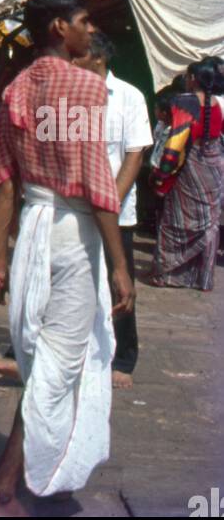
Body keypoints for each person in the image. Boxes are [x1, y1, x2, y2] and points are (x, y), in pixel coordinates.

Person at [0, 0, 134, 517]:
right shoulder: (85, 85)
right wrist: (119, 264)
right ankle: (2, 490)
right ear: (58, 29)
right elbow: (97, 184)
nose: (90, 31)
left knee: (51, 358)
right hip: (72, 233)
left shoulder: (15, 86)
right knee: (58, 365)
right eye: (83, 21)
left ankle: (52, 471)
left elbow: (3, 180)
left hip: (33, 228)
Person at [75, 31, 152, 389]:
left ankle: (123, 357)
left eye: (81, 56)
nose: (74, 61)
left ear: (99, 60)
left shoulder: (129, 97)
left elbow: (135, 154)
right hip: (76, 205)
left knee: (119, 281)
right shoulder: (71, 95)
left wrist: (112, 199)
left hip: (115, 208)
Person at [151, 57, 224, 292]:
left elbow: (176, 142)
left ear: (193, 78)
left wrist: (161, 174)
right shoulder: (217, 104)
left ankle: (169, 275)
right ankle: (202, 278)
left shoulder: (184, 102)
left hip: (191, 166)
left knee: (176, 221)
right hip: (214, 167)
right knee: (209, 222)